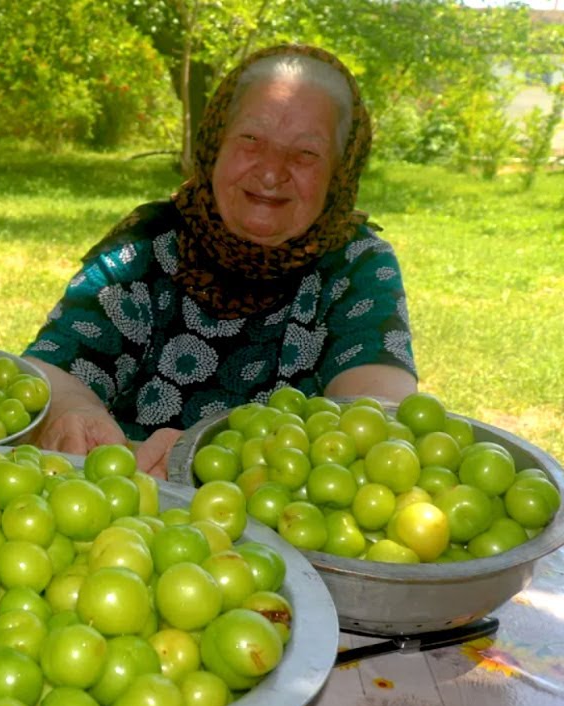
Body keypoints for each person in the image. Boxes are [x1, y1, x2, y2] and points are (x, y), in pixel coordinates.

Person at [23, 44, 418, 477]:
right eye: (251, 139)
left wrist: (214, 453)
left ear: (339, 171)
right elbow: (51, 368)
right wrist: (72, 412)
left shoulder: (357, 265)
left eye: (306, 153)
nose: (271, 172)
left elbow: (379, 409)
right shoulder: (148, 248)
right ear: (214, 144)